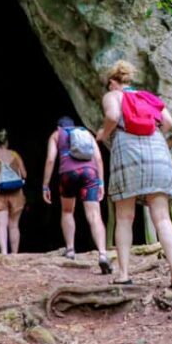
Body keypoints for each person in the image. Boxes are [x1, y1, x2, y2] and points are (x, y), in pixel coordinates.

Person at [96, 60, 172, 291]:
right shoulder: (147, 96)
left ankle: (124, 274)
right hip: (157, 150)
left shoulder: (113, 96)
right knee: (162, 217)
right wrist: (152, 135)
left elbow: (114, 116)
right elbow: (169, 122)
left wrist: (103, 134)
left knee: (125, 217)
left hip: (127, 151)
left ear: (112, 82)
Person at [42, 116, 112, 274]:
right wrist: (101, 183)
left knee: (67, 211)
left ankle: (71, 250)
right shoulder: (85, 132)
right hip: (90, 173)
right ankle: (102, 254)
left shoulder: (56, 134)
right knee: (94, 215)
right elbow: (99, 159)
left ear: (59, 126)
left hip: (68, 174)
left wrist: (45, 186)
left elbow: (50, 160)